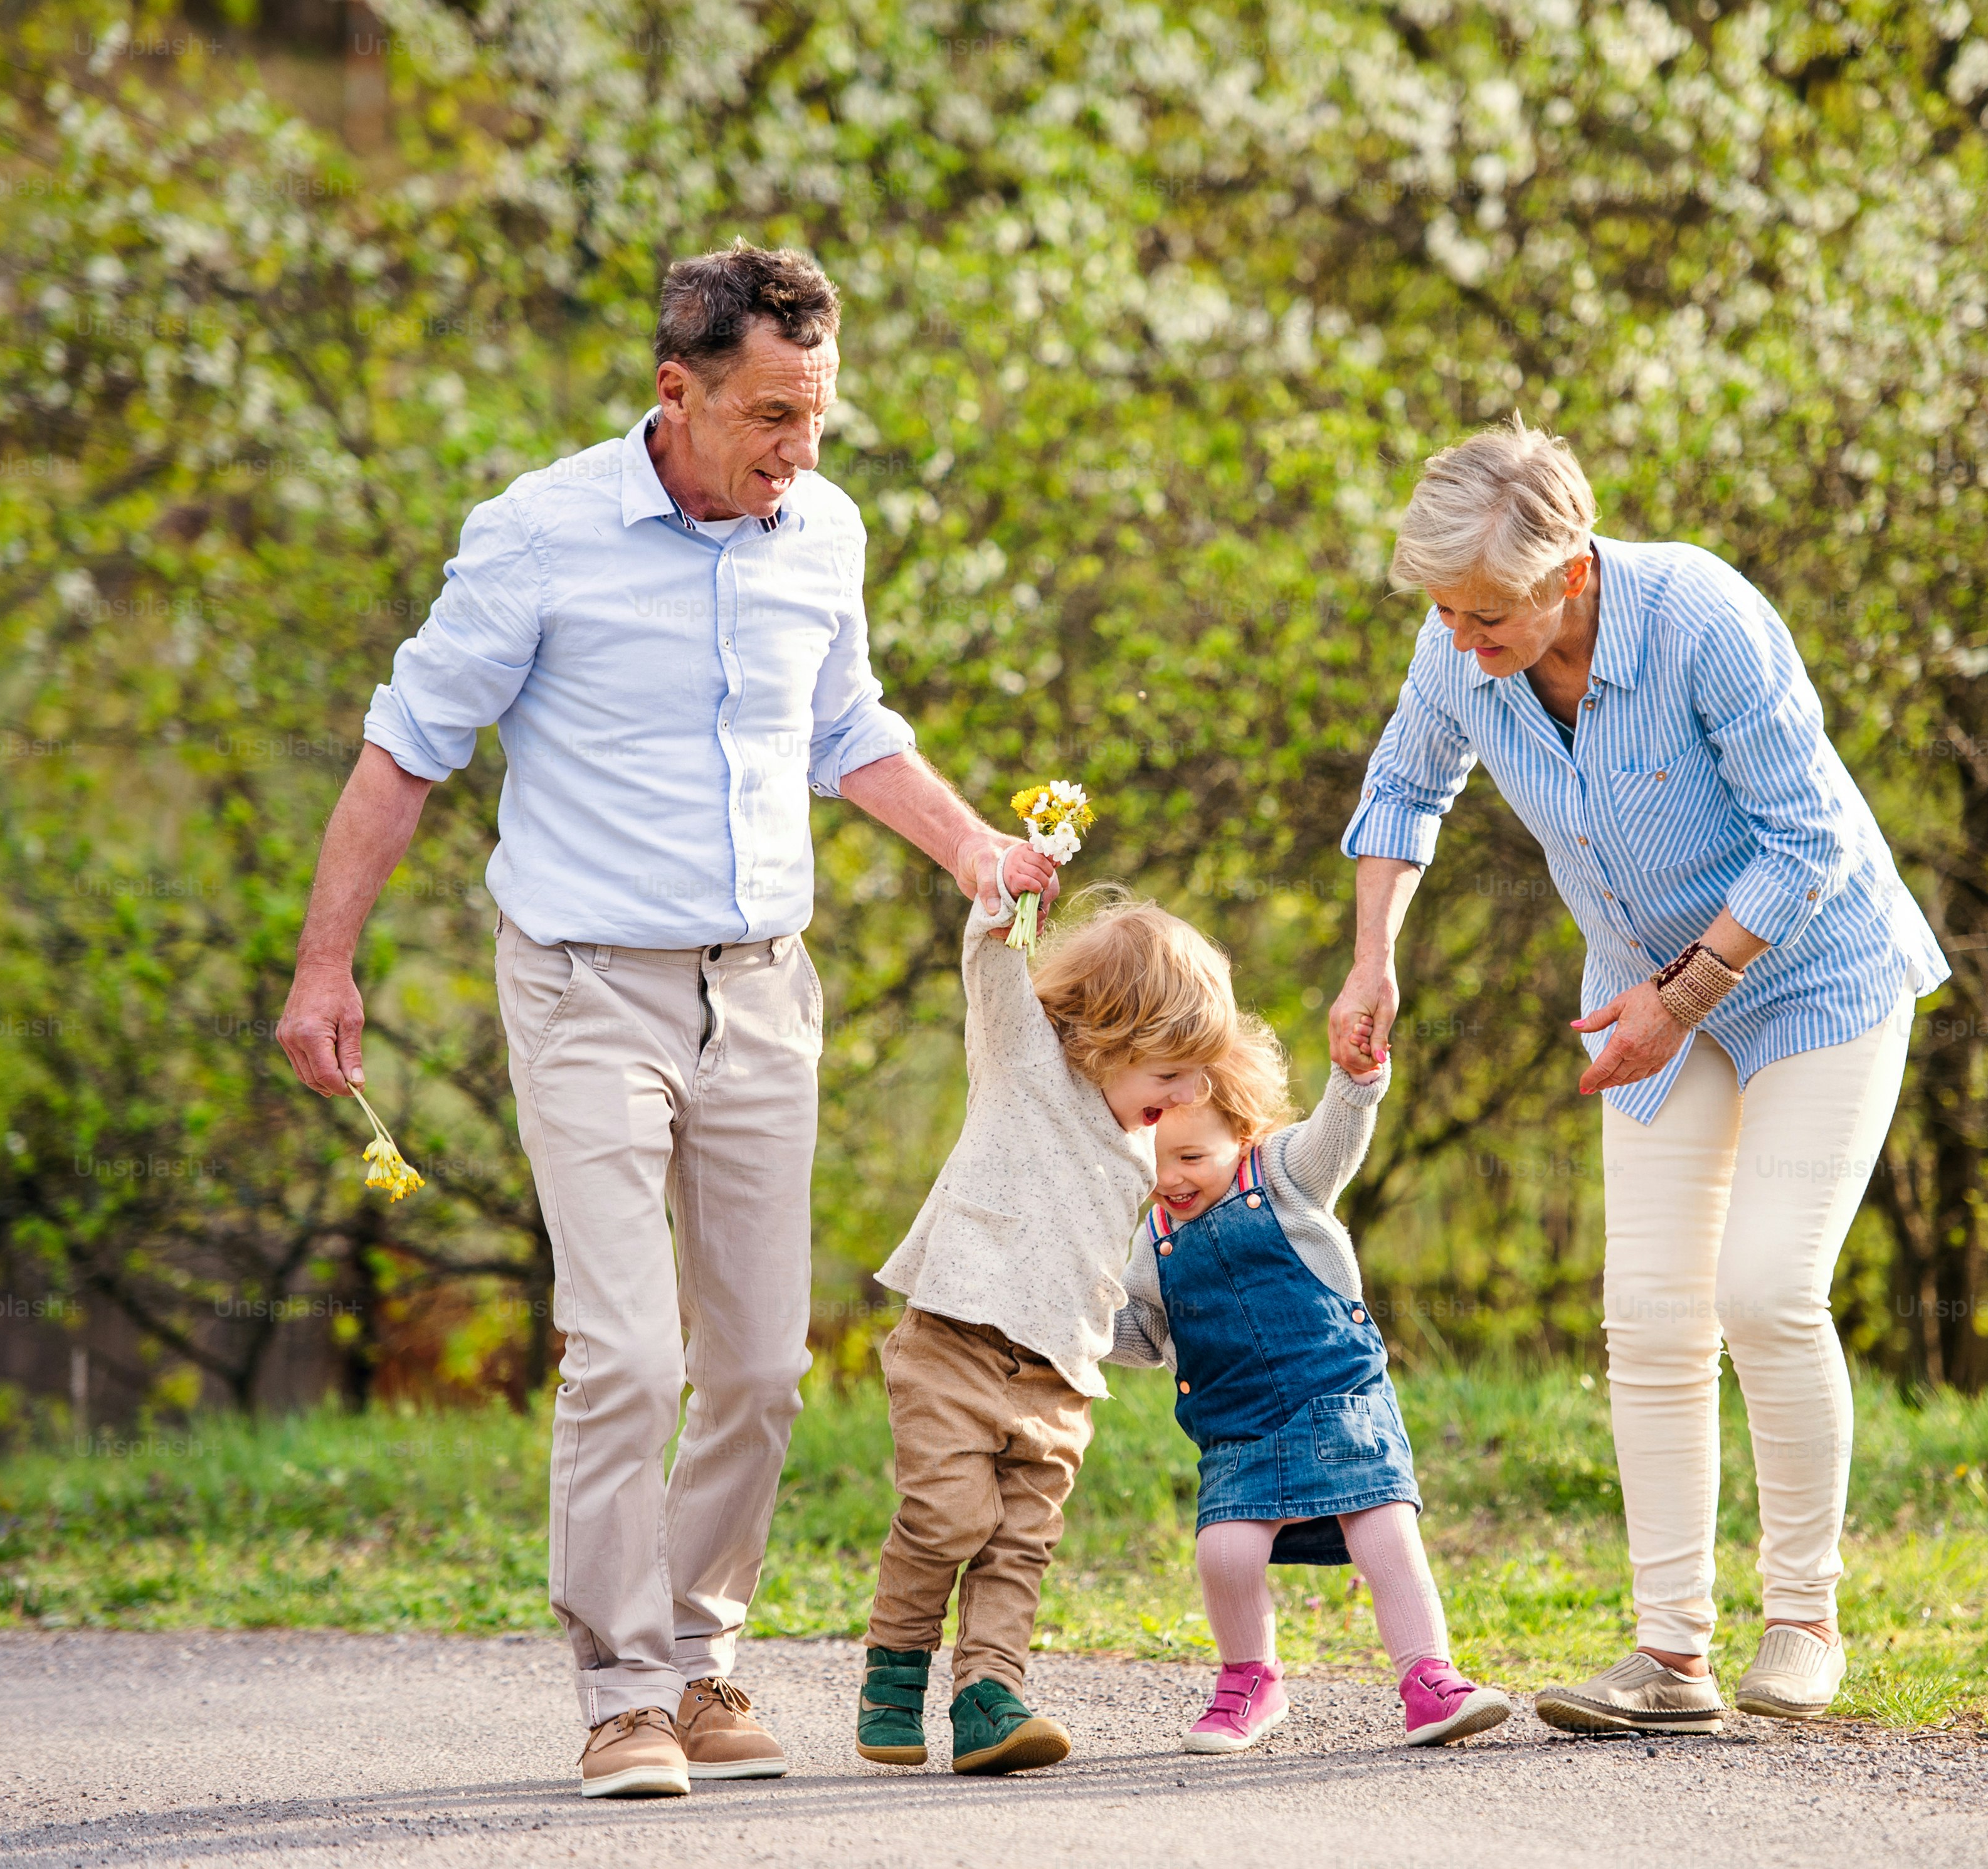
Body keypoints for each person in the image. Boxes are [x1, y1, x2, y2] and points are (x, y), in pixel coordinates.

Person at [274, 243, 1058, 1798]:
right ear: (675, 390)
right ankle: (624, 1692)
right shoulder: (539, 536)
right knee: (629, 1349)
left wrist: (970, 844)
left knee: (763, 1364)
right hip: (586, 986)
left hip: (765, 984)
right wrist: (323, 968)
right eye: (770, 414)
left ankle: (702, 1658)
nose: (797, 450)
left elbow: (848, 727)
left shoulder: (818, 529)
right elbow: (404, 747)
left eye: (817, 417)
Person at [1328, 421, 1950, 1732]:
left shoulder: (1700, 618)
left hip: (1813, 972)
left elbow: (1810, 832)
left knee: (1768, 1288)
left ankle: (1804, 1618)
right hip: (1644, 990)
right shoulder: (1462, 645)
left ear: (1571, 571)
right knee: (1654, 1314)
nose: (1457, 638)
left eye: (1485, 612)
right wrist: (1370, 961)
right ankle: (1670, 1655)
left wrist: (1684, 999)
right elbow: (1402, 785)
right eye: (1441, 609)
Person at [855, 882, 1237, 1774]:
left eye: (1198, 1074)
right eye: (1170, 1072)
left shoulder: (1144, 1142)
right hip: (956, 1341)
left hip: (1060, 1374)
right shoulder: (1027, 1066)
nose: (1188, 1094)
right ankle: (894, 1673)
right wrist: (1006, 891)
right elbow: (992, 962)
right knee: (951, 1518)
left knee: (1020, 1542)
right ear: (1108, 1037)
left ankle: (990, 1695)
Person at [1109, 1017, 1515, 1754]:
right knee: (1224, 1553)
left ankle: (1430, 1678)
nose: (1171, 1180)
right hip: (1236, 1427)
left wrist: (1356, 1077)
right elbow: (1141, 1336)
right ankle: (1250, 1681)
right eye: (1154, 1165)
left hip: (1338, 1400)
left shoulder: (1286, 1174)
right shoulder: (1151, 1241)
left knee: (1382, 1528)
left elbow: (1339, 1130)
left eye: (1192, 1156)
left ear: (1242, 1130)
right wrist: (1073, 1316)